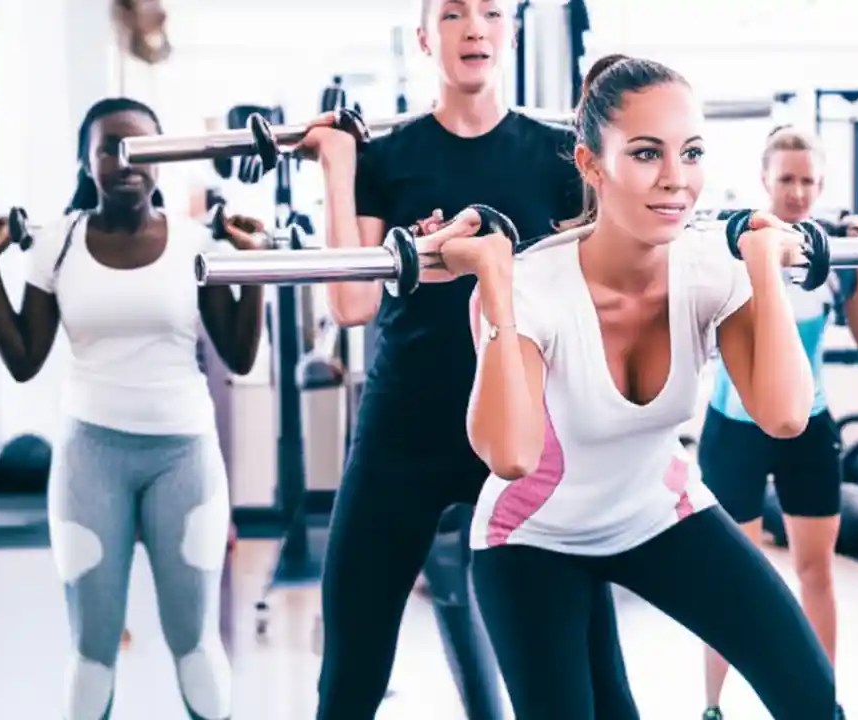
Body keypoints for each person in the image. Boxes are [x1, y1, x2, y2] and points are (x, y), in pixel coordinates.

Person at [444, 52, 840, 719]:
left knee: (811, 697)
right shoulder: (537, 288)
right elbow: (508, 455)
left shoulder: (710, 269)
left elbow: (785, 416)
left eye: (691, 153)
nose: (676, 182)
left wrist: (766, 268)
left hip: (659, 515)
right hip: (534, 541)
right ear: (591, 166)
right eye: (647, 154)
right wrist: (495, 286)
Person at [292, 1, 637, 718]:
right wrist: (338, 164)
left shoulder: (558, 158)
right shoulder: (388, 160)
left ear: (508, 31)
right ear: (425, 37)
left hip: (525, 432)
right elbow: (350, 306)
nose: (473, 27)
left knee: (592, 670)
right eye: (451, 14)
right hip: (404, 432)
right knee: (350, 671)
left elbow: (603, 289)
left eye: (489, 12)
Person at [0, 97, 264, 720]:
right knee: (92, 651)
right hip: (90, 458)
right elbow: (24, 360)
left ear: (162, 158)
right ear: (86, 160)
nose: (126, 162)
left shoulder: (194, 246)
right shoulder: (57, 245)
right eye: (110, 147)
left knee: (195, 645)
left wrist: (254, 265)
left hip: (184, 456)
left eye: (141, 148)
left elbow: (237, 355)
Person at [696, 127, 858, 720]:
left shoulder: (830, 253)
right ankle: (713, 705)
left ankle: (818, 701)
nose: (797, 192)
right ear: (764, 181)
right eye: (786, 179)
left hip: (809, 428)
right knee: (732, 578)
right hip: (735, 427)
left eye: (808, 181)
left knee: (815, 572)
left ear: (821, 185)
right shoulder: (738, 244)